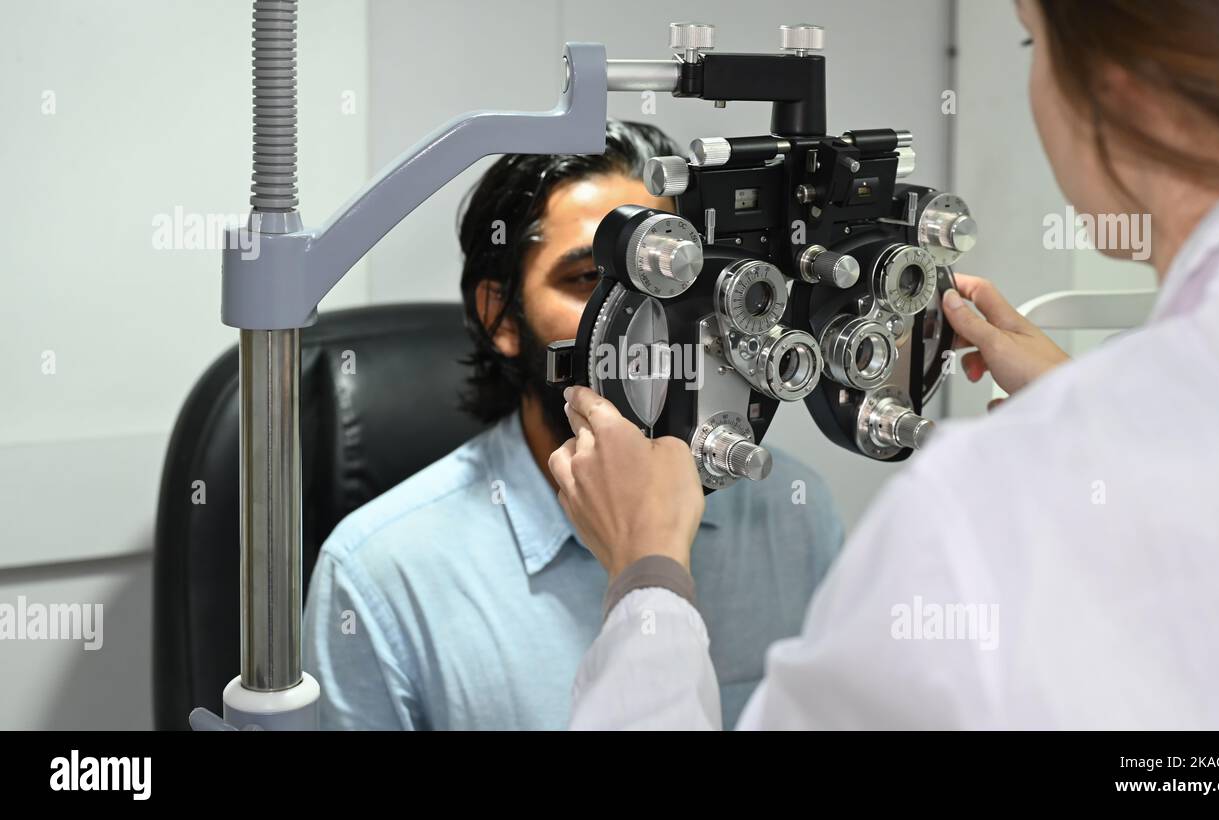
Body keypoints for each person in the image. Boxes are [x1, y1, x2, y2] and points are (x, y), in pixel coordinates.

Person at [551, 0, 1219, 729]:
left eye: (1030, 46)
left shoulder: (980, 506)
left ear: (1118, 96)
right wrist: (1093, 415)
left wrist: (647, 571)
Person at [302, 120, 844, 730]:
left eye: (675, 275)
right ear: (500, 317)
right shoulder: (380, 574)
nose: (647, 312)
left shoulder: (792, 513)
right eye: (591, 279)